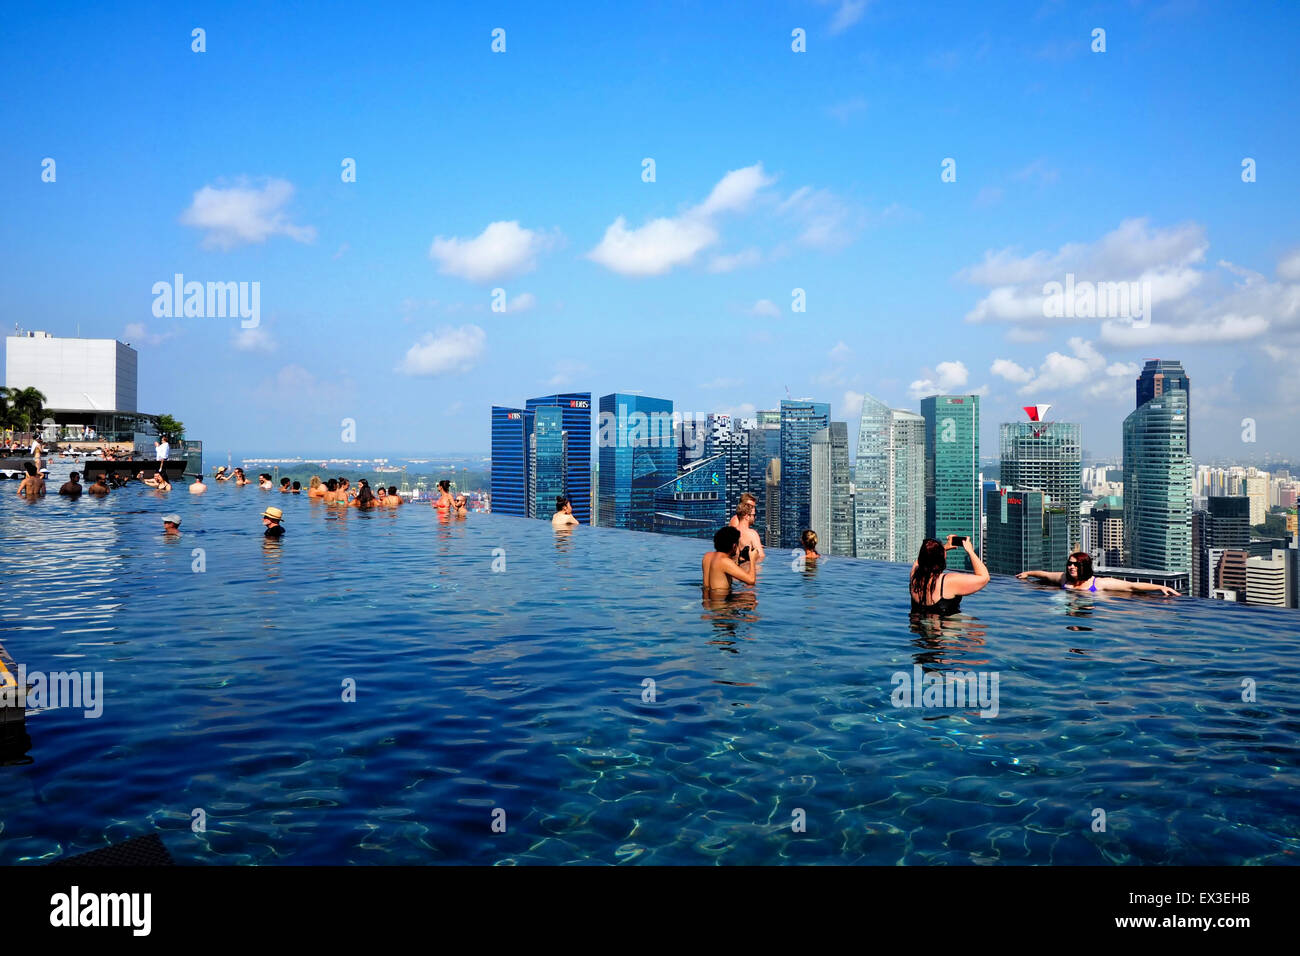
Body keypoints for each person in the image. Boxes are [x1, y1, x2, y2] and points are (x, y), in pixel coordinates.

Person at [1017, 552, 1180, 596]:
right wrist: (1028, 573)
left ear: (1085, 566)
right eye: (1070, 564)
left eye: (1076, 564)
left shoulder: (1099, 583)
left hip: (1088, 605)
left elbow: (1131, 586)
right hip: (1066, 606)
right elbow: (1044, 575)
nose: (1071, 567)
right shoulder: (1063, 578)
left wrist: (1160, 587)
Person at [910, 536, 989, 615]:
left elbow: (921, 560)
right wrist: (970, 551)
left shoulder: (914, 575)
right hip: (944, 625)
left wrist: (942, 548)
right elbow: (985, 577)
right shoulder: (948, 581)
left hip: (917, 625)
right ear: (943, 556)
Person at [702, 525, 759, 594]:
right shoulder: (725, 561)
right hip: (721, 603)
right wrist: (752, 560)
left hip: (707, 601)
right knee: (752, 599)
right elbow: (751, 580)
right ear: (734, 546)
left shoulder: (707, 556)